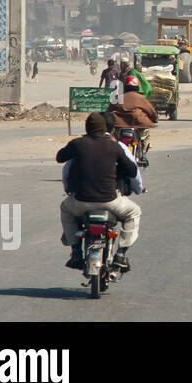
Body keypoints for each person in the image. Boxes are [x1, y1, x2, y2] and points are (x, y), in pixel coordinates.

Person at [57, 112, 141, 272]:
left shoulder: (78, 144)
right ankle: (121, 254)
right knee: (134, 212)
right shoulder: (114, 146)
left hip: (81, 202)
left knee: (65, 209)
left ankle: (75, 251)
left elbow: (60, 157)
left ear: (87, 128)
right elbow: (132, 170)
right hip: (110, 201)